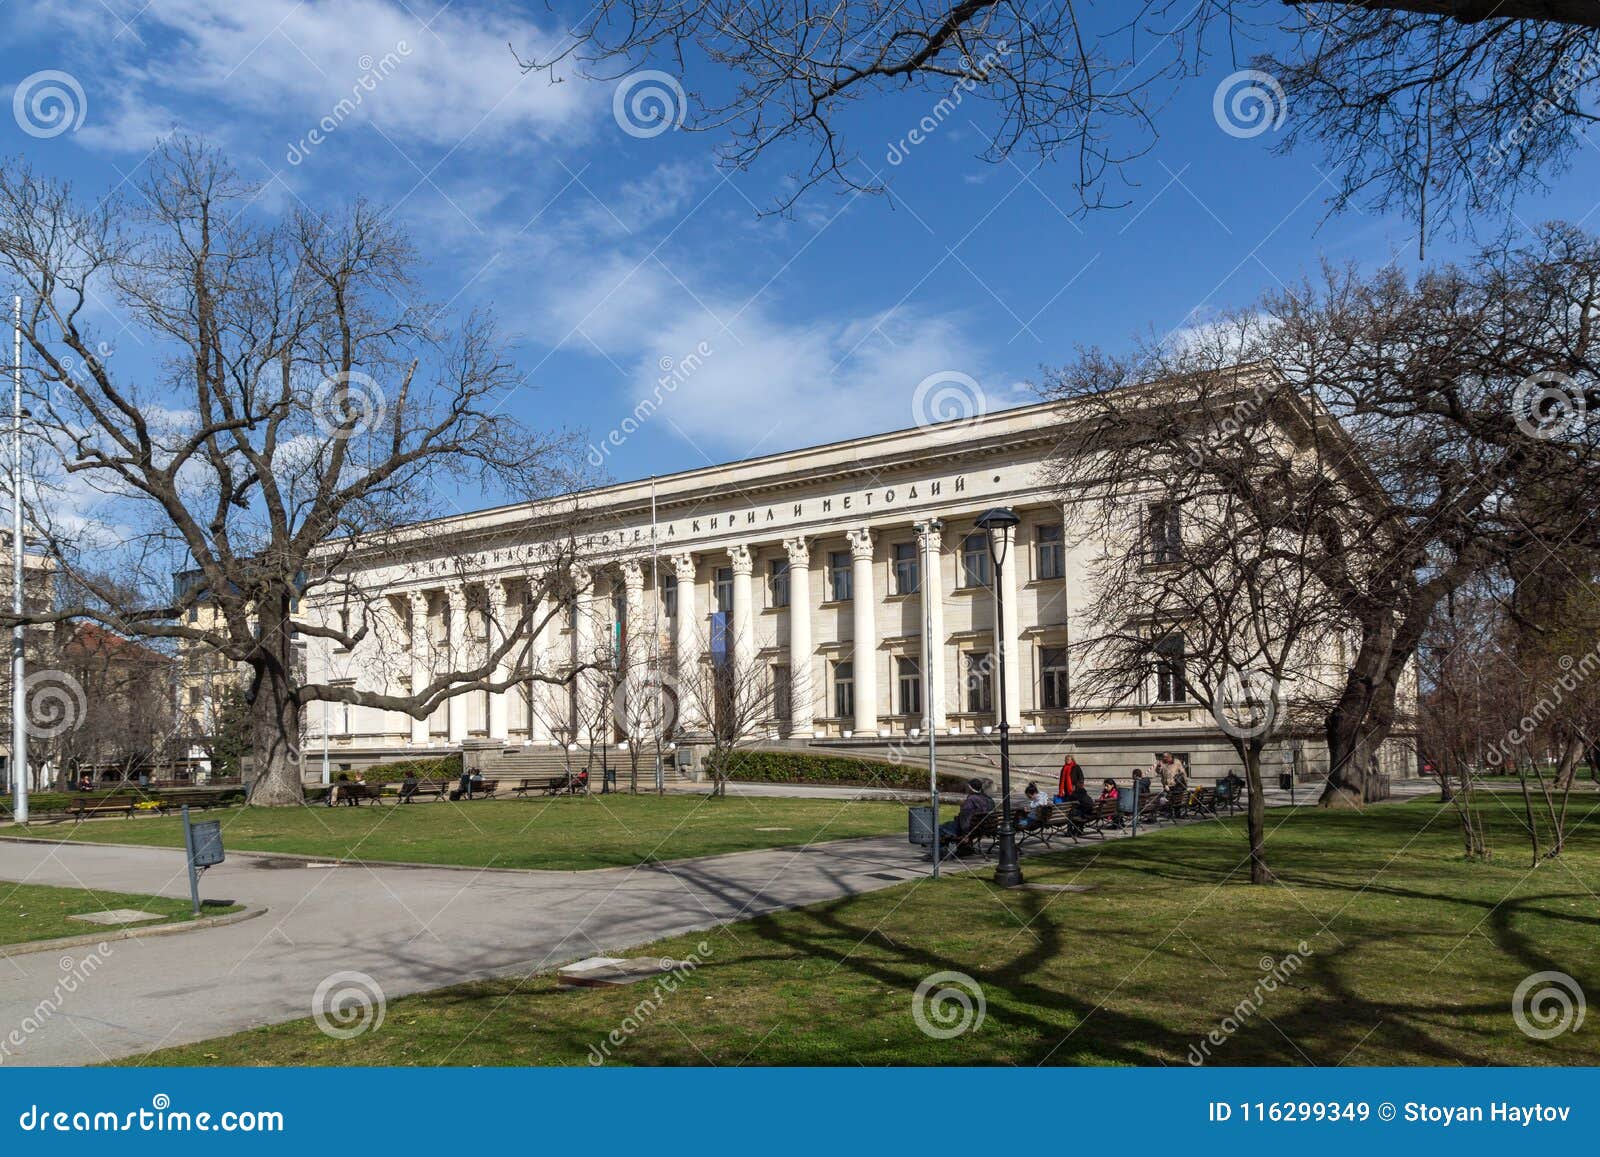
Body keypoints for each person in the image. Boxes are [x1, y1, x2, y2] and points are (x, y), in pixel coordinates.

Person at [934, 778, 994, 857]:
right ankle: (963, 849)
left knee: (939, 829)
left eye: (968, 787)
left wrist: (965, 834)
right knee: (948, 824)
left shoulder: (971, 800)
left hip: (969, 828)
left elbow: (965, 818)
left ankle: (937, 855)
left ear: (970, 788)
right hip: (982, 827)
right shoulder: (988, 799)